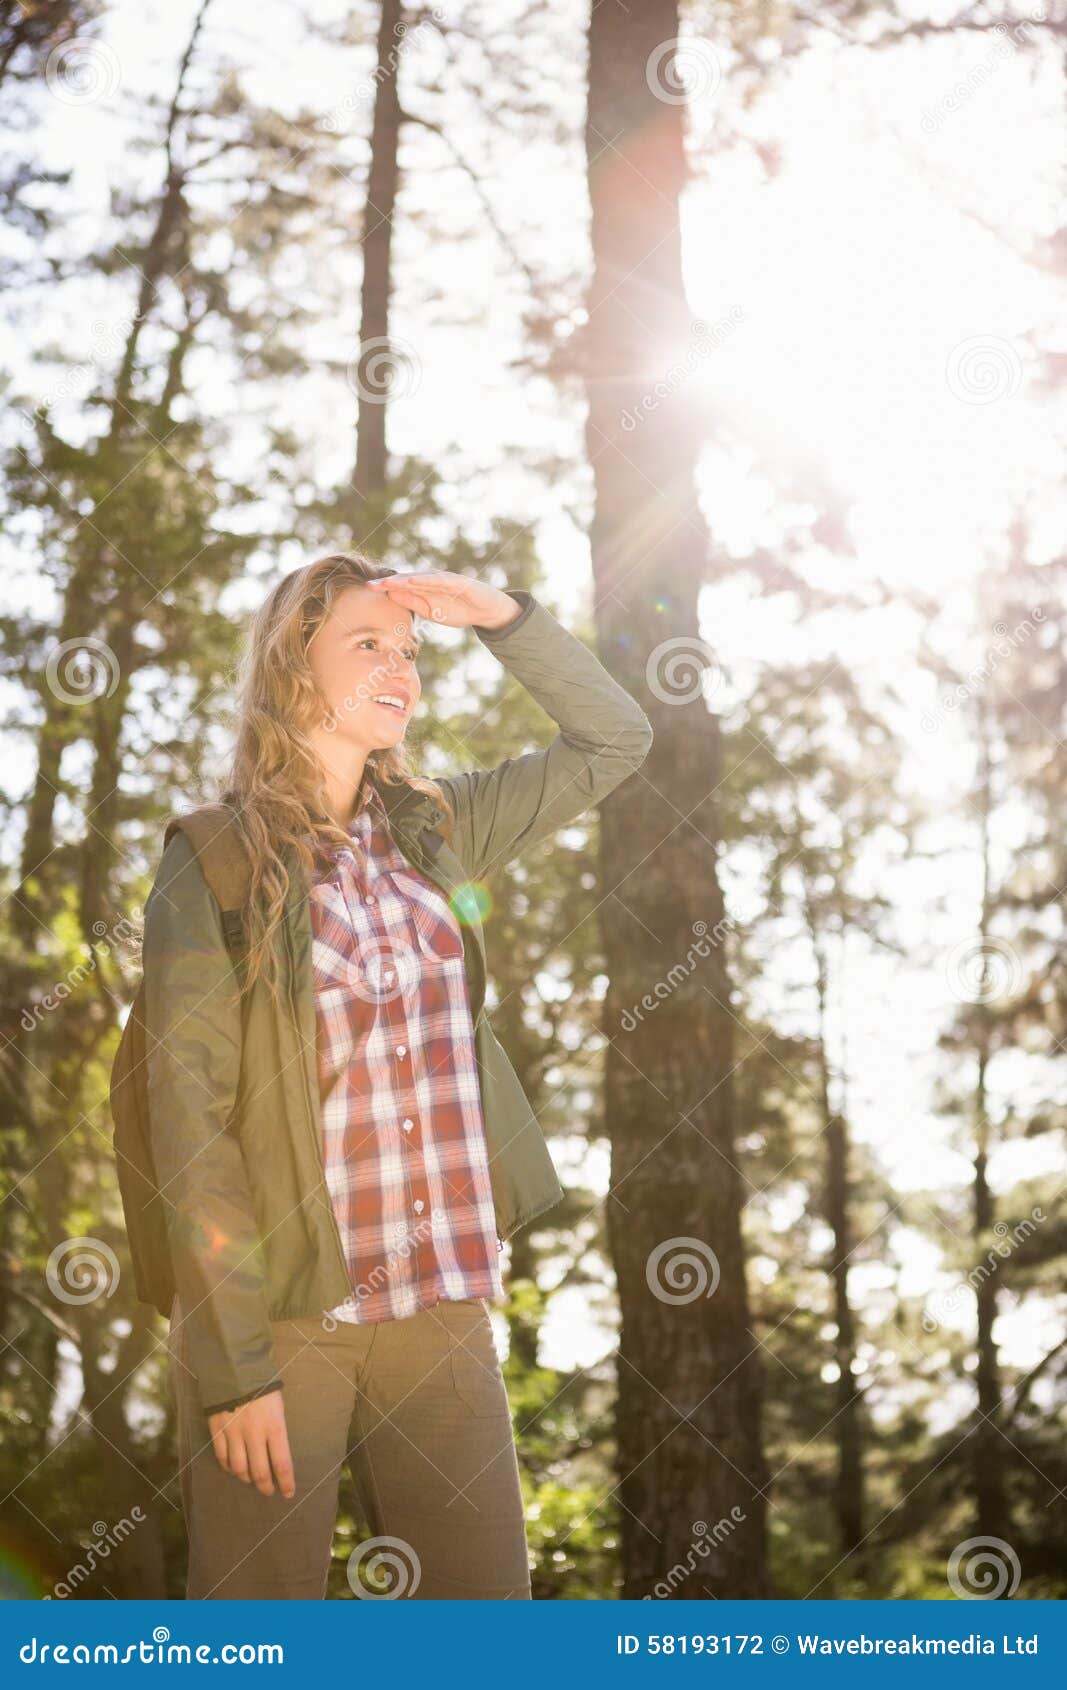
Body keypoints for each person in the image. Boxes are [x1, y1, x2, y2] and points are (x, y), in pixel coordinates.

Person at [144, 554, 653, 1598]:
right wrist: (234, 1367)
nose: (401, 668)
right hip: (286, 1324)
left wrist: (503, 617)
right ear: (293, 667)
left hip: (442, 1310)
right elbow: (185, 1120)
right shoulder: (216, 860)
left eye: (411, 650)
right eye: (367, 644)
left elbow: (615, 738)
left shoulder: (440, 827)